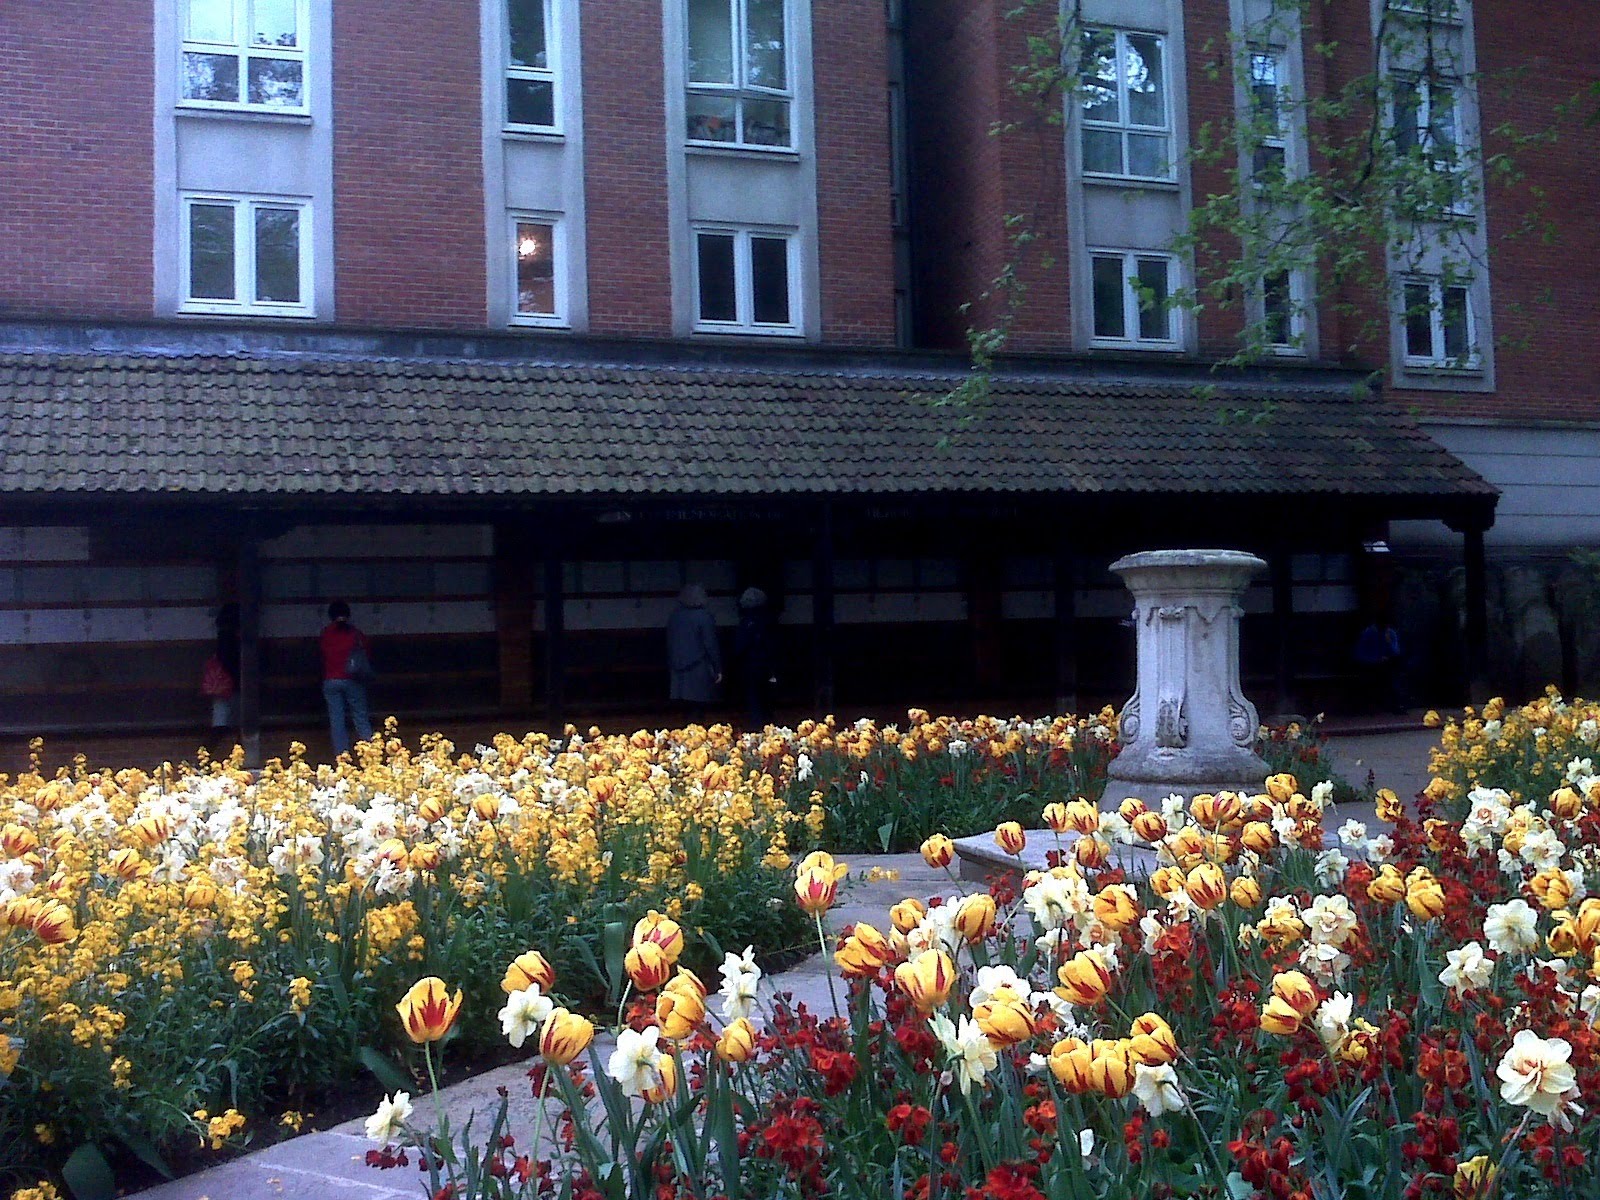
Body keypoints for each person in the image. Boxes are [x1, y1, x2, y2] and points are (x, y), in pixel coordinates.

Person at [319, 600, 374, 757]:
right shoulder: (355, 634)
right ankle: (370, 756)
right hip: (353, 679)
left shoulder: (326, 633)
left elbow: (322, 654)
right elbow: (366, 654)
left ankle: (342, 757)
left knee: (337, 720)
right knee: (360, 718)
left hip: (331, 680)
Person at [666, 583, 721, 724]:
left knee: (685, 709)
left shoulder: (675, 616)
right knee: (698, 709)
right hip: (698, 667)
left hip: (678, 668)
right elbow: (711, 645)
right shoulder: (704, 617)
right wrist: (717, 668)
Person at [734, 586, 777, 729]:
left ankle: (757, 726)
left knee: (753, 697)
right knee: (766, 696)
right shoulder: (769, 619)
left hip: (750, 663)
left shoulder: (746, 621)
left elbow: (740, 645)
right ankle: (769, 726)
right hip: (767, 663)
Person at [202, 603, 241, 752]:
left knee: (220, 724)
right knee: (233, 725)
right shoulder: (232, 639)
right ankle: (207, 754)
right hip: (233, 685)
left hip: (222, 687)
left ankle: (205, 755)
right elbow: (231, 662)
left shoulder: (222, 637)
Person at [1354, 615, 1407, 714]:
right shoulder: (1369, 633)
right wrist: (1375, 659)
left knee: (1393, 678)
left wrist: (1389, 642)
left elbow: (1396, 652)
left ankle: (1397, 705)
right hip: (1370, 665)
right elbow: (1360, 652)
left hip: (1387, 665)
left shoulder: (1390, 633)